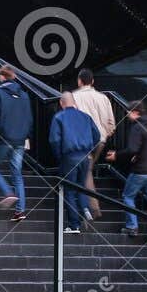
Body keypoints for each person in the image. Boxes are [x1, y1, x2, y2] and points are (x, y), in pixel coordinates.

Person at [109, 100, 147, 243]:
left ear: (135, 112)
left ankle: (132, 227)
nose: (127, 115)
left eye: (128, 112)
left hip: (141, 171)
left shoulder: (137, 127)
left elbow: (132, 149)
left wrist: (116, 155)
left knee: (128, 196)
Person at [0, 64, 33, 222]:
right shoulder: (24, 95)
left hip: (4, 138)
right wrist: (26, 136)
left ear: (3, 76)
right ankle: (20, 211)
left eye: (0, 75)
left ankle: (8, 192)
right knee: (17, 174)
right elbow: (30, 119)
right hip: (20, 140)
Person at [50, 92, 100, 235]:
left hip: (69, 157)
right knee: (81, 187)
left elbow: (54, 140)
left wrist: (60, 156)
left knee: (69, 190)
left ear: (61, 103)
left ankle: (74, 225)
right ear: (74, 102)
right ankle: (85, 208)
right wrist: (88, 149)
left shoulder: (59, 117)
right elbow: (97, 135)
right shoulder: (85, 117)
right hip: (85, 156)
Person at [71, 68, 116, 220]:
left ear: (79, 81)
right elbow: (111, 123)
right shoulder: (103, 98)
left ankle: (93, 208)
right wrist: (105, 134)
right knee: (87, 169)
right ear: (93, 81)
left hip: (82, 140)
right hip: (100, 140)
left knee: (85, 172)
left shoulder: (74, 97)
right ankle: (87, 206)